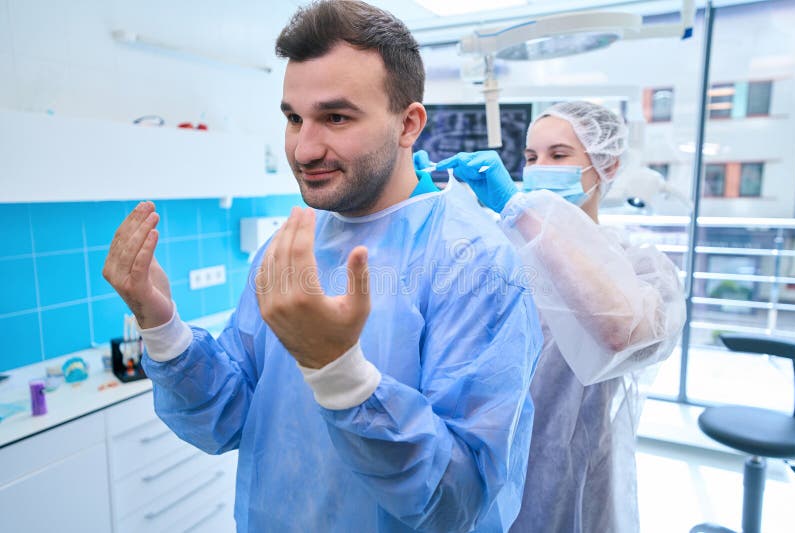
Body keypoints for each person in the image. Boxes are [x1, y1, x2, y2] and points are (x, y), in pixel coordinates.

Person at [102, 1, 542, 532]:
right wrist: (162, 325)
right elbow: (227, 416)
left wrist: (339, 371)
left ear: (408, 124)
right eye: (293, 118)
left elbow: (457, 500)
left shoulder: (474, 266)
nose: (304, 148)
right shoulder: (286, 251)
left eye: (336, 117)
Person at [419, 101, 686, 533]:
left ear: (607, 166)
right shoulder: (503, 248)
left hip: (572, 465)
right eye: (530, 157)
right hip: (488, 454)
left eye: (558, 155)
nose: (539, 167)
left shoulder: (641, 266)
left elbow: (622, 330)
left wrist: (521, 213)